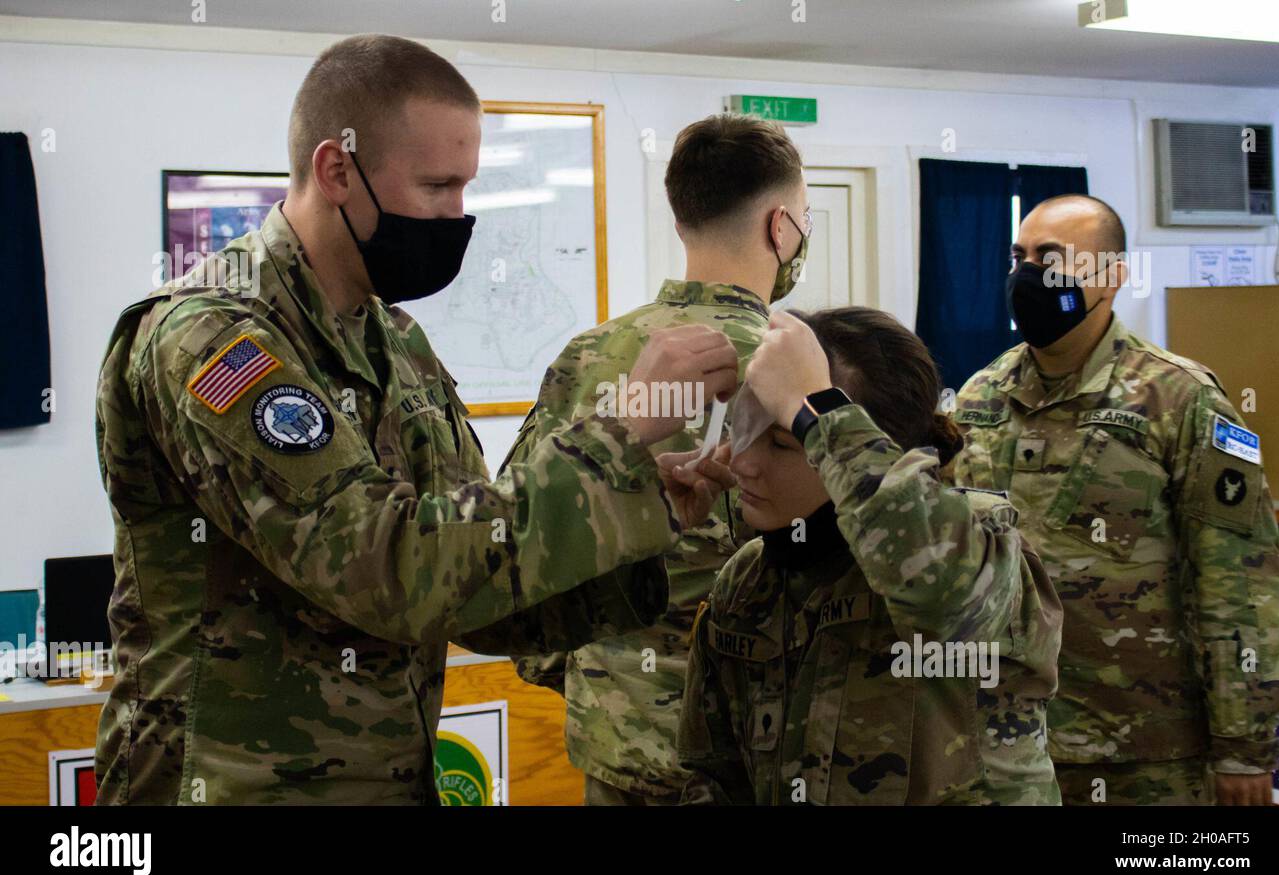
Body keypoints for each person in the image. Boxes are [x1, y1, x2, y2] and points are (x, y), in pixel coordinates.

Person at [93, 34, 736, 805]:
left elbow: (467, 581)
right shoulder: (213, 341)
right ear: (338, 170)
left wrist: (642, 507)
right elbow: (388, 570)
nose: (457, 216)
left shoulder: (396, 344)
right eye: (437, 186)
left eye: (465, 187)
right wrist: (617, 433)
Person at [507, 113, 810, 805]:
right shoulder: (801, 366)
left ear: (682, 223)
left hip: (613, 743)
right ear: (781, 227)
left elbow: (521, 538)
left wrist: (596, 680)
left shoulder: (588, 356)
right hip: (756, 752)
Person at [950, 194, 1279, 806]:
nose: (1026, 274)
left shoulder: (1181, 400)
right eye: (1017, 257)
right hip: (1005, 741)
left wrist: (1242, 746)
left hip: (1146, 751)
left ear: (1112, 276)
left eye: (1049, 258)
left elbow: (1237, 582)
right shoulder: (981, 396)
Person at [677, 308, 1062, 805]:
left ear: (879, 446)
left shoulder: (980, 539)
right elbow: (715, 777)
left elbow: (934, 590)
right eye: (746, 431)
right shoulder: (751, 577)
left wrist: (817, 408)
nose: (744, 462)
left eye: (782, 442)